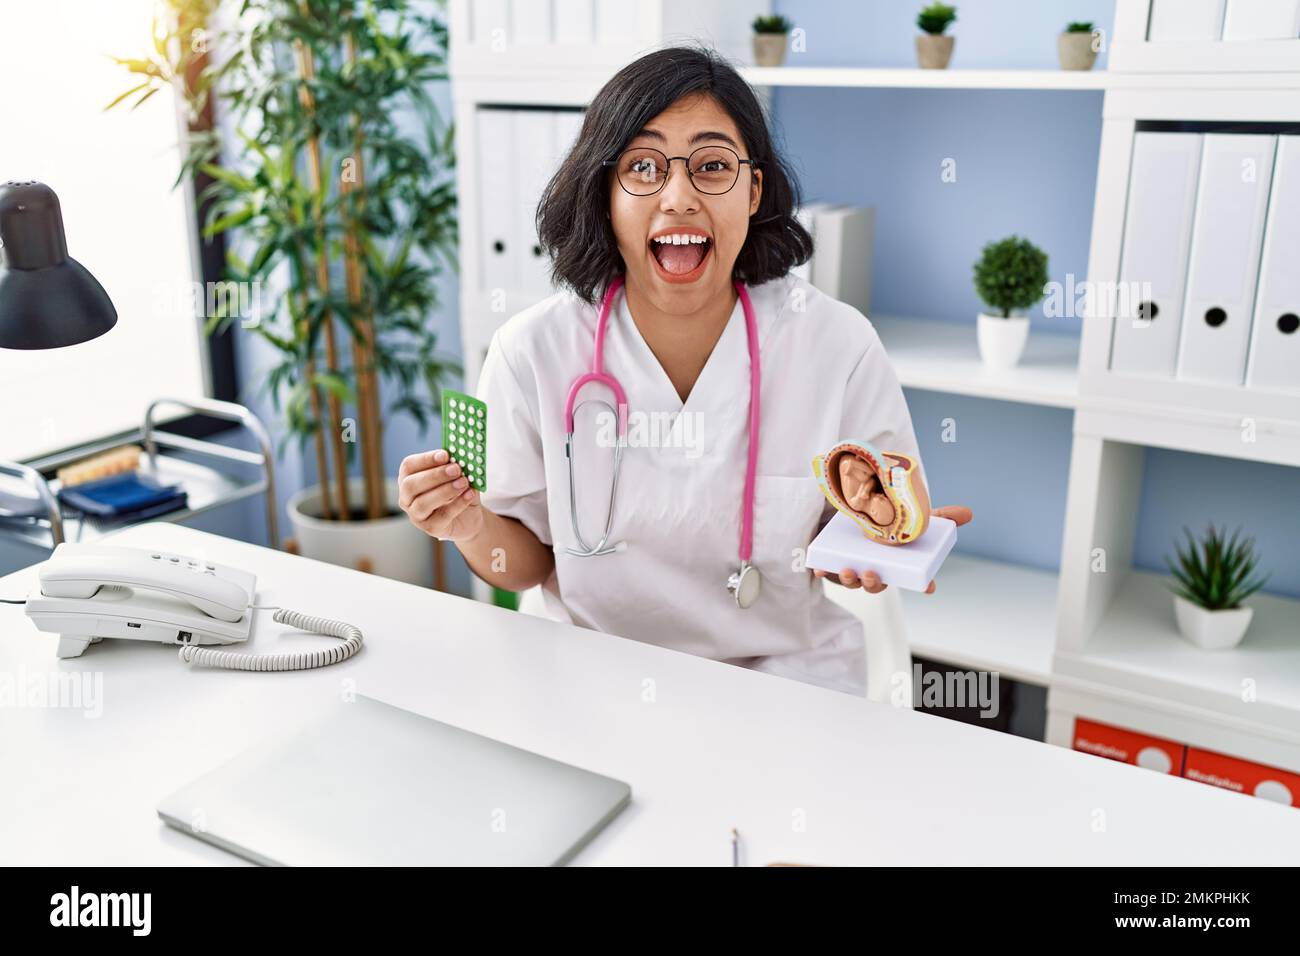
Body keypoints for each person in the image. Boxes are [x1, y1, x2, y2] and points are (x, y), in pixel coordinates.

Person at [399, 47, 971, 695]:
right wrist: (469, 523)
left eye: (712, 167)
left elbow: (865, 516)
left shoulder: (836, 345)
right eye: (642, 167)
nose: (678, 198)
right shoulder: (531, 352)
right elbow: (524, 563)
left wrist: (878, 547)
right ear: (605, 191)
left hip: (785, 685)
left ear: (753, 191)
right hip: (596, 678)